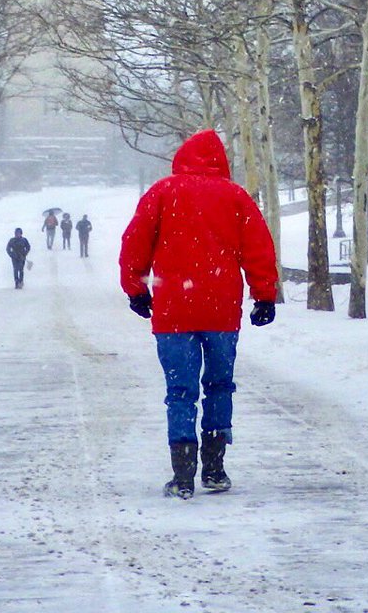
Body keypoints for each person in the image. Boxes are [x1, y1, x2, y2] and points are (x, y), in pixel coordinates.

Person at [120, 128, 278, 499]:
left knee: (180, 390)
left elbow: (136, 241)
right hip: (221, 309)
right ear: (221, 160)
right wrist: (264, 295)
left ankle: (183, 472)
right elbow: (258, 248)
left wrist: (136, 288)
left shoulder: (162, 192)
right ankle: (216, 467)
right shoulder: (235, 197)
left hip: (174, 309)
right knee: (220, 386)